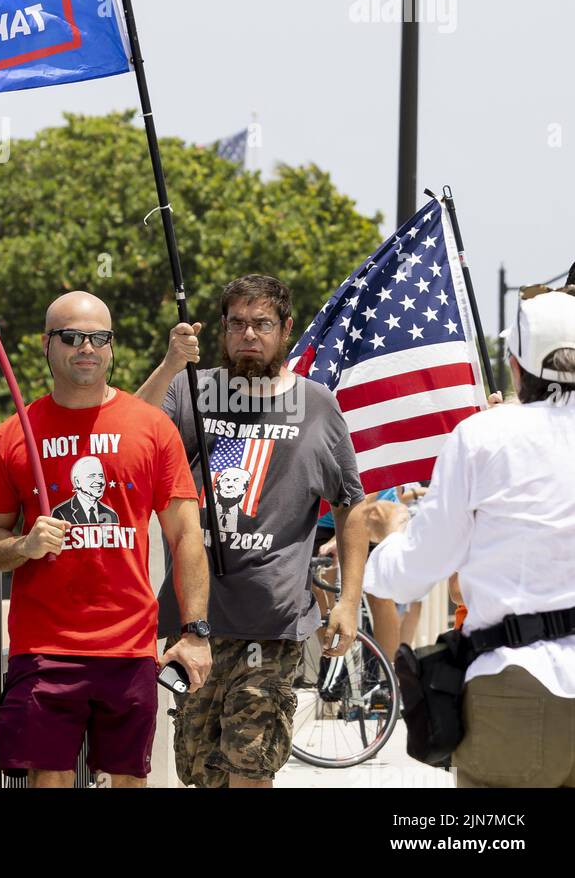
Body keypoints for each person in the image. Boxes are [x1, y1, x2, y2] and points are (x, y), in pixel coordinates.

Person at [0, 290, 211, 788]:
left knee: (126, 778)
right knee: (48, 777)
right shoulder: (13, 435)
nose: (86, 347)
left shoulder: (152, 428)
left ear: (111, 346)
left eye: (99, 338)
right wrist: (22, 546)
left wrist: (195, 632)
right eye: (72, 337)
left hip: (129, 648)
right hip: (44, 647)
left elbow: (187, 534)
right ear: (46, 344)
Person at [137, 273, 368, 789]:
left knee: (249, 767)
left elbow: (352, 505)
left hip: (273, 619)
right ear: (221, 329)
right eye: (237, 323)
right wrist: (172, 362)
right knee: (201, 772)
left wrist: (349, 601)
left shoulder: (316, 404)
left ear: (286, 329)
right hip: (196, 618)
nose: (248, 335)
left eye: (262, 324)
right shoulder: (193, 389)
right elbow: (126, 436)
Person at [363, 285, 575, 788]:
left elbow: (419, 565)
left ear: (517, 368)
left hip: (518, 686)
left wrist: (392, 536)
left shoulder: (485, 436)